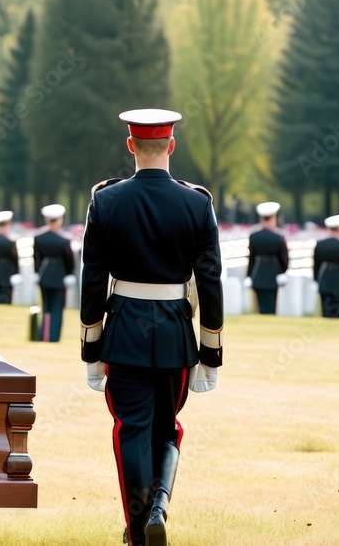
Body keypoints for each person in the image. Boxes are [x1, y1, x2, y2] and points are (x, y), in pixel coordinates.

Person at [80, 109, 223, 546]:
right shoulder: (197, 202)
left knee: (131, 429)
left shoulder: (105, 201)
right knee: (166, 427)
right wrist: (210, 352)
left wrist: (91, 349)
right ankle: (158, 507)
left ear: (131, 146)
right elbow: (210, 281)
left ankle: (139, 532)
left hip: (124, 332)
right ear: (171, 145)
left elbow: (92, 280)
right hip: (176, 334)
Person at [33, 204, 74, 341]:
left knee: (46, 306)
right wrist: (69, 274)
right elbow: (69, 260)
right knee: (57, 308)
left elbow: (37, 258)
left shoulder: (39, 237)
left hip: (44, 274)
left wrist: (37, 272)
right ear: (60, 219)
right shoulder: (64, 239)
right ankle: (54, 337)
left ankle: (43, 335)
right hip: (59, 275)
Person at [246, 201, 289, 314]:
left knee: (260, 307)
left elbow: (251, 257)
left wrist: (249, 275)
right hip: (274, 274)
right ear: (274, 217)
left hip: (258, 273)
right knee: (271, 306)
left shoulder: (254, 236)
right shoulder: (279, 237)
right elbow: (284, 258)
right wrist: (284, 271)